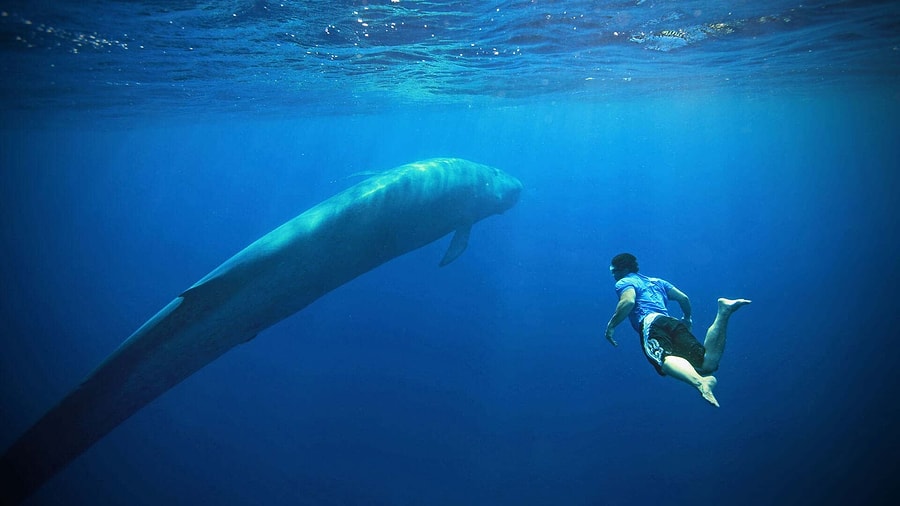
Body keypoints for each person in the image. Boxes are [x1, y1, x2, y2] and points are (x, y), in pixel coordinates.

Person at [603, 253, 750, 407]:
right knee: (706, 366)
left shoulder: (624, 282)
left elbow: (628, 301)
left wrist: (611, 326)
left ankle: (701, 384)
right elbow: (683, 298)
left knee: (663, 359)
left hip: (651, 323)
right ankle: (723, 312)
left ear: (625, 269)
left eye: (614, 272)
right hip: (671, 321)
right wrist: (687, 318)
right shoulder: (657, 282)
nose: (613, 275)